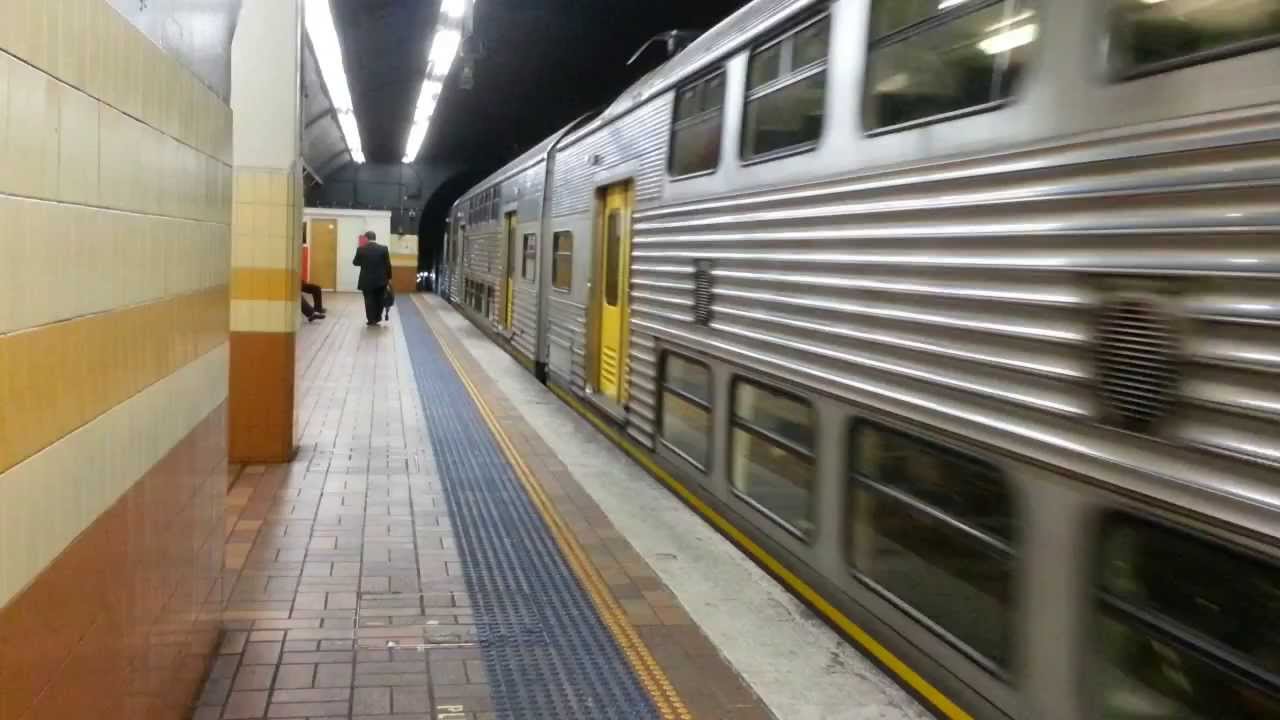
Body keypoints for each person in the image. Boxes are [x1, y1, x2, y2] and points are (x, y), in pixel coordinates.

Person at [353, 230, 392, 326]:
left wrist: (364, 261)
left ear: (366, 238)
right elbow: (388, 265)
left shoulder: (361, 249)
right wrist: (389, 278)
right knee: (380, 299)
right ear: (375, 237)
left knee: (368, 300)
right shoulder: (383, 249)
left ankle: (371, 319)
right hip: (381, 280)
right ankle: (378, 317)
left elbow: (355, 262)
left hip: (366, 280)